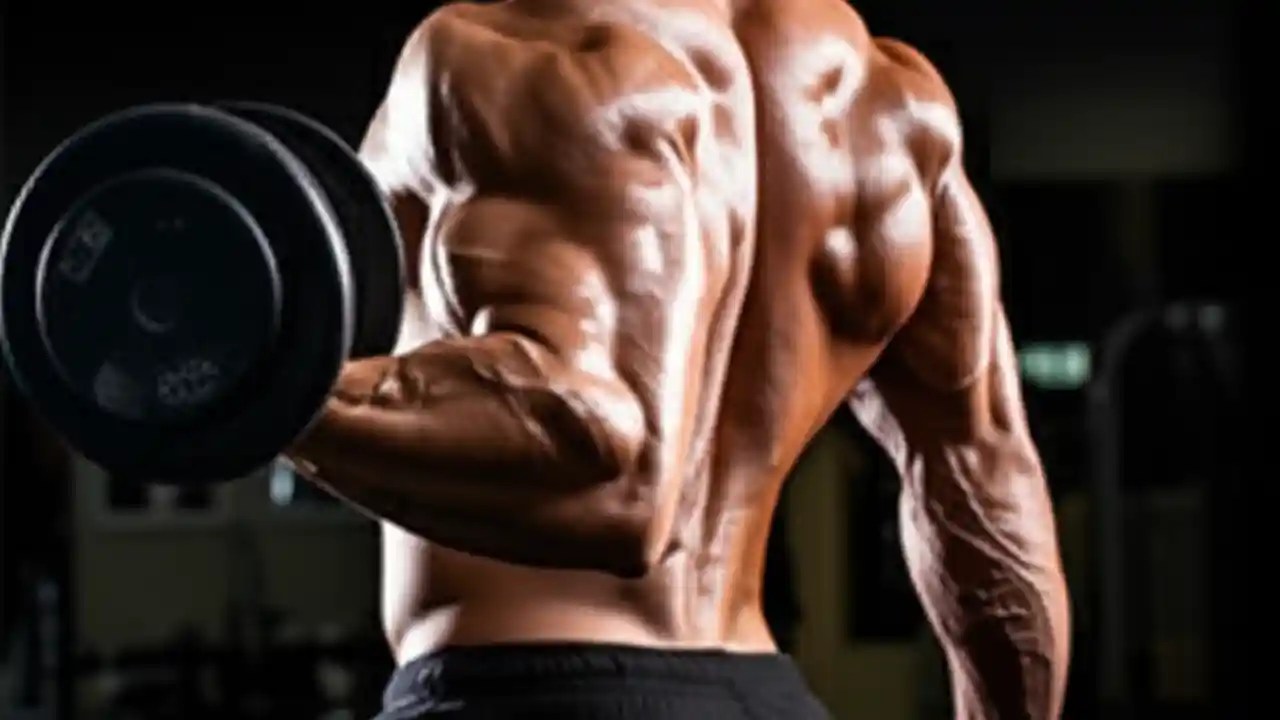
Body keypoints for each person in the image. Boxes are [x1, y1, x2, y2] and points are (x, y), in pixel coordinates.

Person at [286, 0, 1071, 717]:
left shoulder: (512, 52)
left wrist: (245, 386)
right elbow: (987, 477)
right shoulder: (890, 107)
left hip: (522, 693)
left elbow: (609, 476)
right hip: (763, 694)